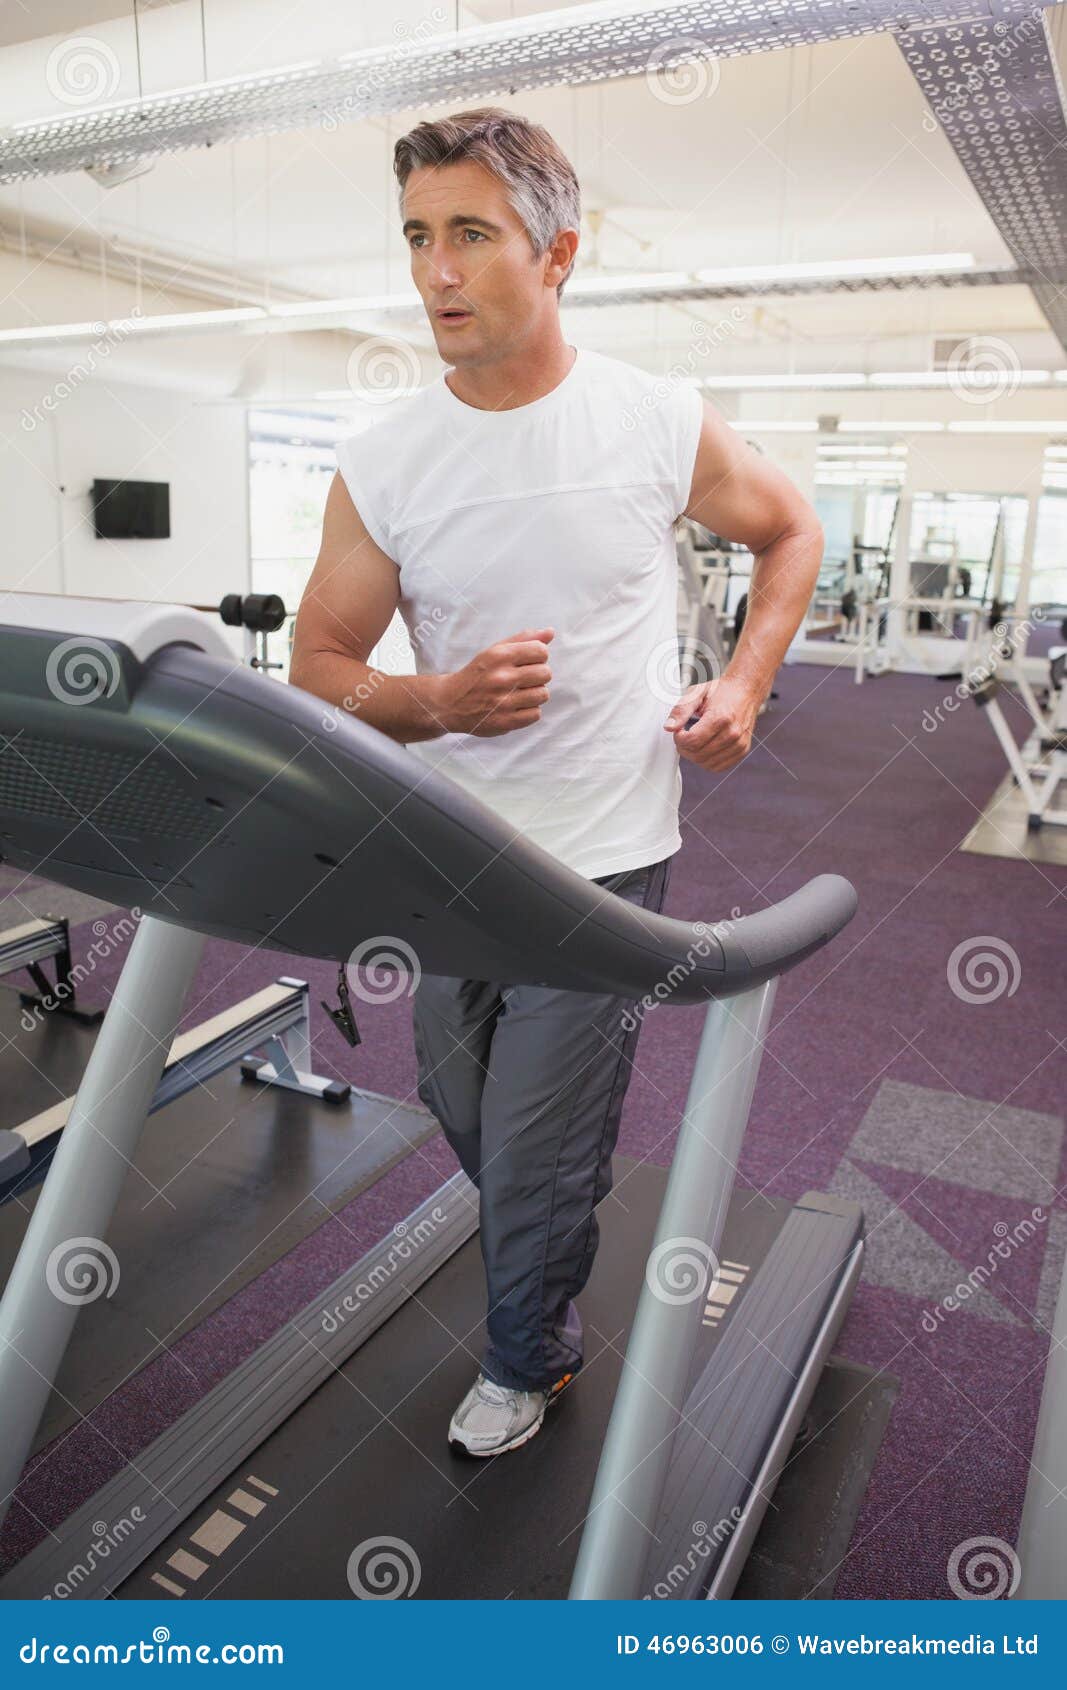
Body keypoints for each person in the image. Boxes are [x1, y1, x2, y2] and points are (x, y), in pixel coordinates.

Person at [289, 107, 822, 1459]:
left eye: (471, 234)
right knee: (467, 1111)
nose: (435, 272)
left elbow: (792, 531)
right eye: (417, 237)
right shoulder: (387, 462)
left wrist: (746, 686)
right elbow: (320, 664)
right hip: (449, 856)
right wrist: (437, 702)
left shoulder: (652, 420)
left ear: (560, 250)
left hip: (603, 861)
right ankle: (556, 1219)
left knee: (526, 1147)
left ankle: (529, 1355)